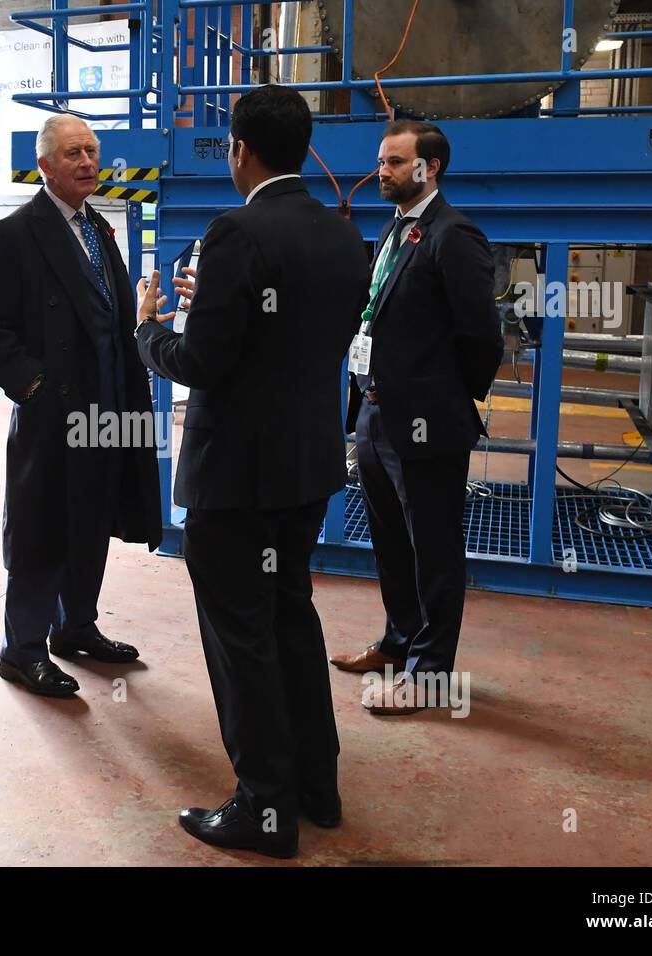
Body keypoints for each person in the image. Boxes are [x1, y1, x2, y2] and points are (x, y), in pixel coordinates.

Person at [134, 84, 367, 858]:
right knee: (289, 615)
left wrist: (152, 330)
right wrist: (221, 306)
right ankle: (315, 787)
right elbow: (292, 335)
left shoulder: (235, 231)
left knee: (240, 637)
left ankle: (263, 808)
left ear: (241, 150)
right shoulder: (343, 236)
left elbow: (204, 362)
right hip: (305, 469)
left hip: (237, 480)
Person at [0, 114, 161, 699]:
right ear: (45, 165)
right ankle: (22, 649)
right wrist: (34, 389)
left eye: (92, 152)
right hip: (55, 413)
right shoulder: (14, 235)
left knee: (92, 520)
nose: (87, 163)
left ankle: (75, 626)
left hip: (108, 407)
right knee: (42, 530)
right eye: (74, 153)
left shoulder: (98, 229)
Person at [328, 120, 503, 715]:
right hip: (376, 416)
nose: (383, 171)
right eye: (382, 161)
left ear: (429, 168)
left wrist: (446, 400)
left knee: (433, 548)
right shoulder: (396, 229)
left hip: (425, 424)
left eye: (396, 163)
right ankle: (399, 642)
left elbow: (481, 337)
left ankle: (431, 674)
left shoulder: (455, 236)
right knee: (391, 543)